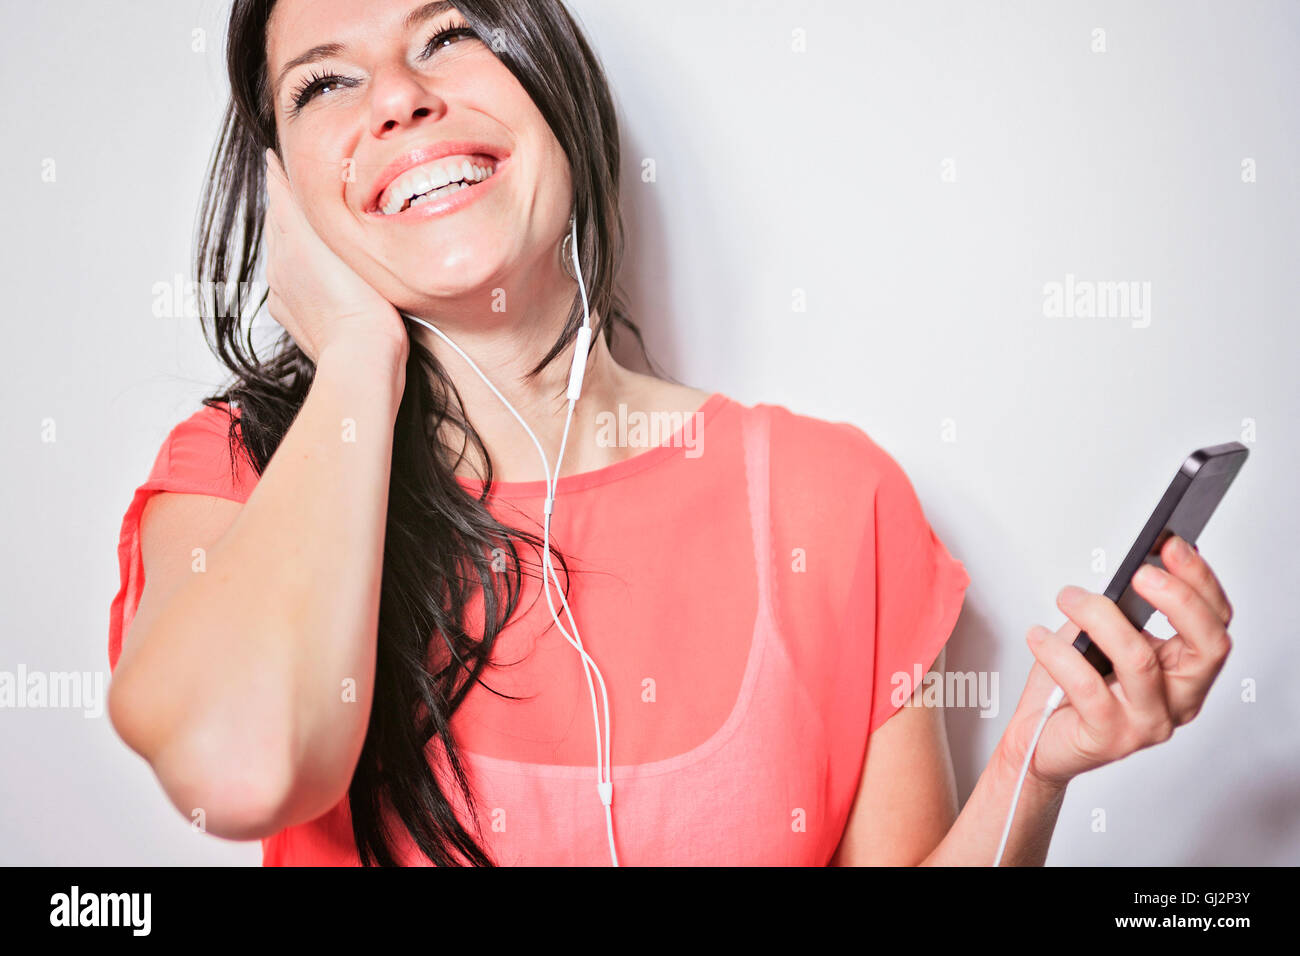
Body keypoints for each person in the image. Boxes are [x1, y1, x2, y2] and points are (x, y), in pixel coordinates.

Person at [106, 0, 1237, 866]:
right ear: (283, 195)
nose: (398, 97)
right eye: (323, 86)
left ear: (552, 84)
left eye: (445, 35)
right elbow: (241, 767)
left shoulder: (832, 499)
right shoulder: (237, 480)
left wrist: (1035, 767)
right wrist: (357, 354)